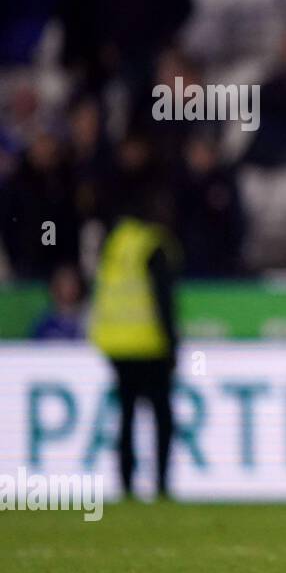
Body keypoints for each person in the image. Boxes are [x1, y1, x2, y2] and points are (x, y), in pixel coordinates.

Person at [88, 192, 181, 500]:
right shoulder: (153, 245)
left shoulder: (115, 244)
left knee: (126, 417)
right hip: (150, 344)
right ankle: (161, 484)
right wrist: (172, 344)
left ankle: (125, 484)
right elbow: (163, 300)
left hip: (117, 344)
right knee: (161, 417)